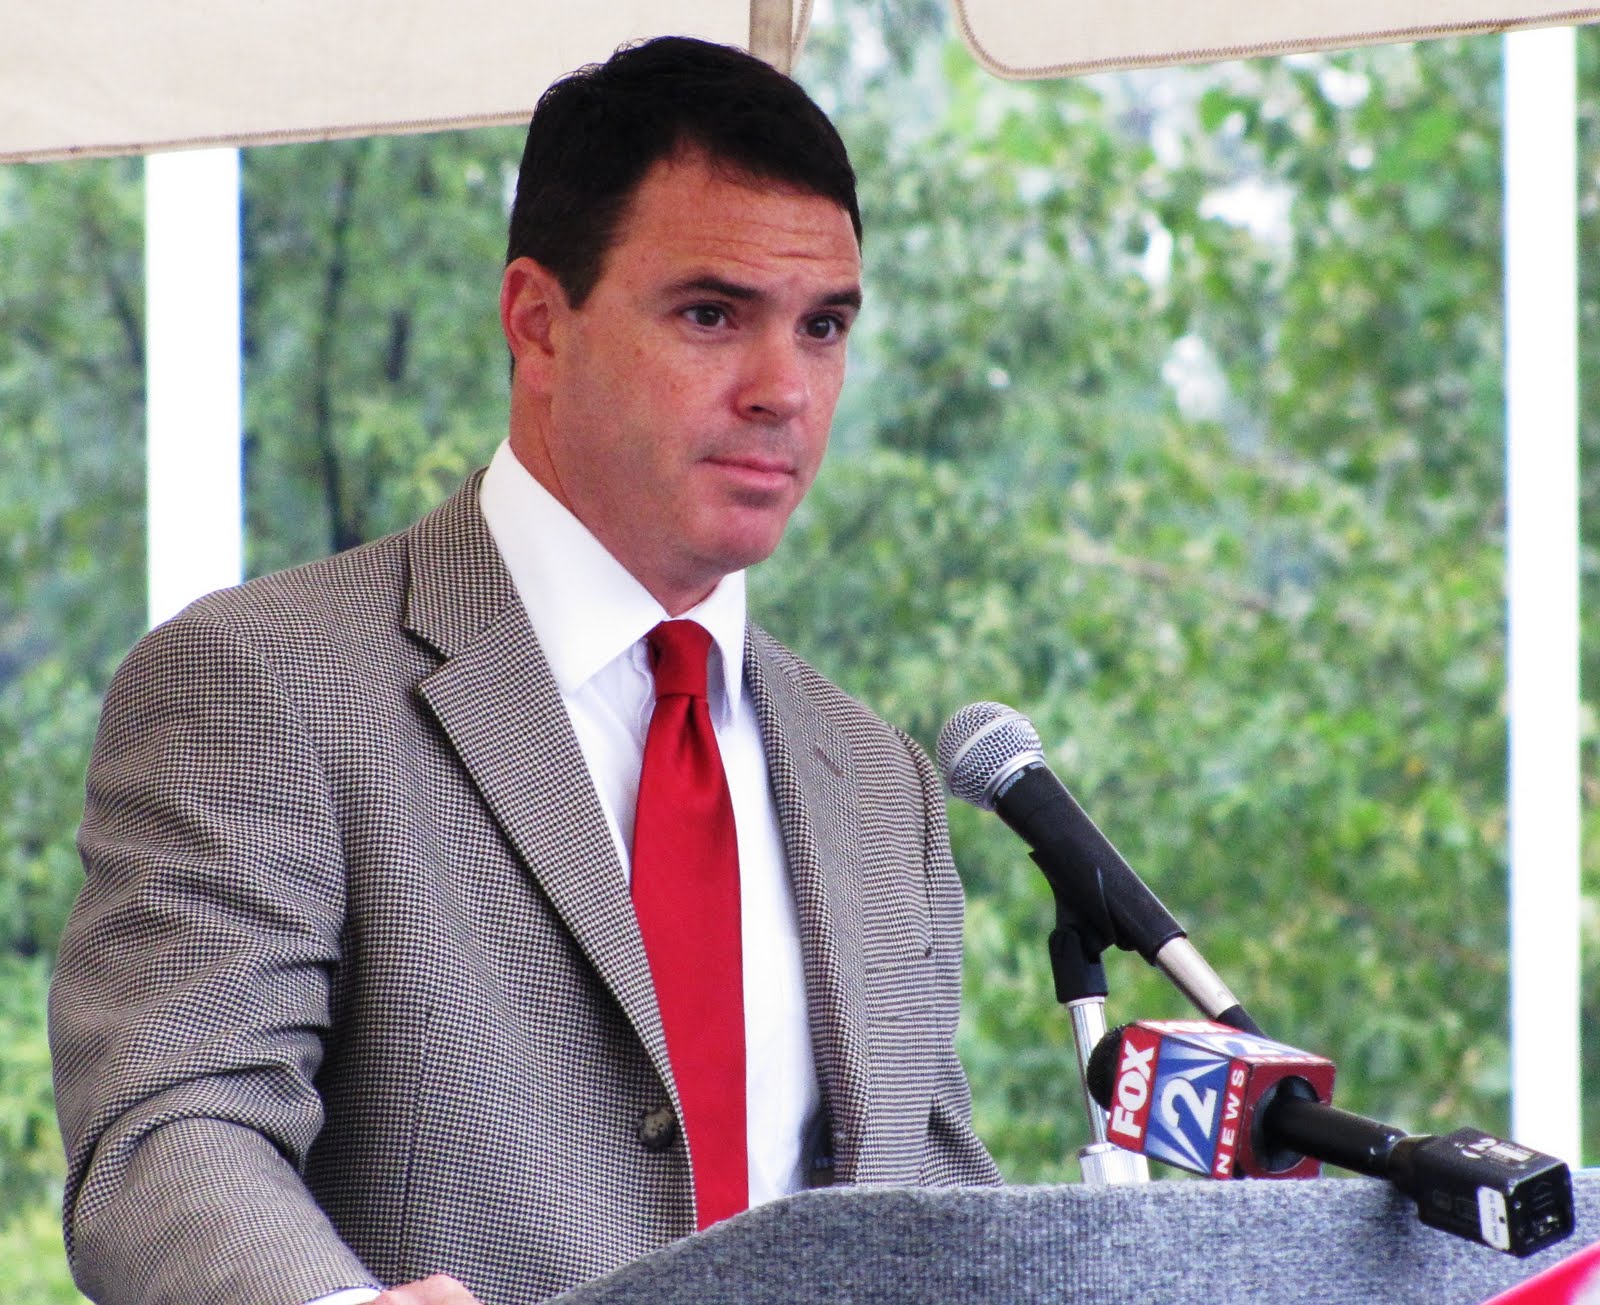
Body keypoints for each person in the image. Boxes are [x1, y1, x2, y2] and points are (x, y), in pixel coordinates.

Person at [49, 35, 999, 1305]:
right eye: (712, 315)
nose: (784, 389)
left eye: (822, 326)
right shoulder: (261, 682)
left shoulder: (879, 780)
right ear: (537, 323)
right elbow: (170, 1126)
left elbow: (941, 1227)